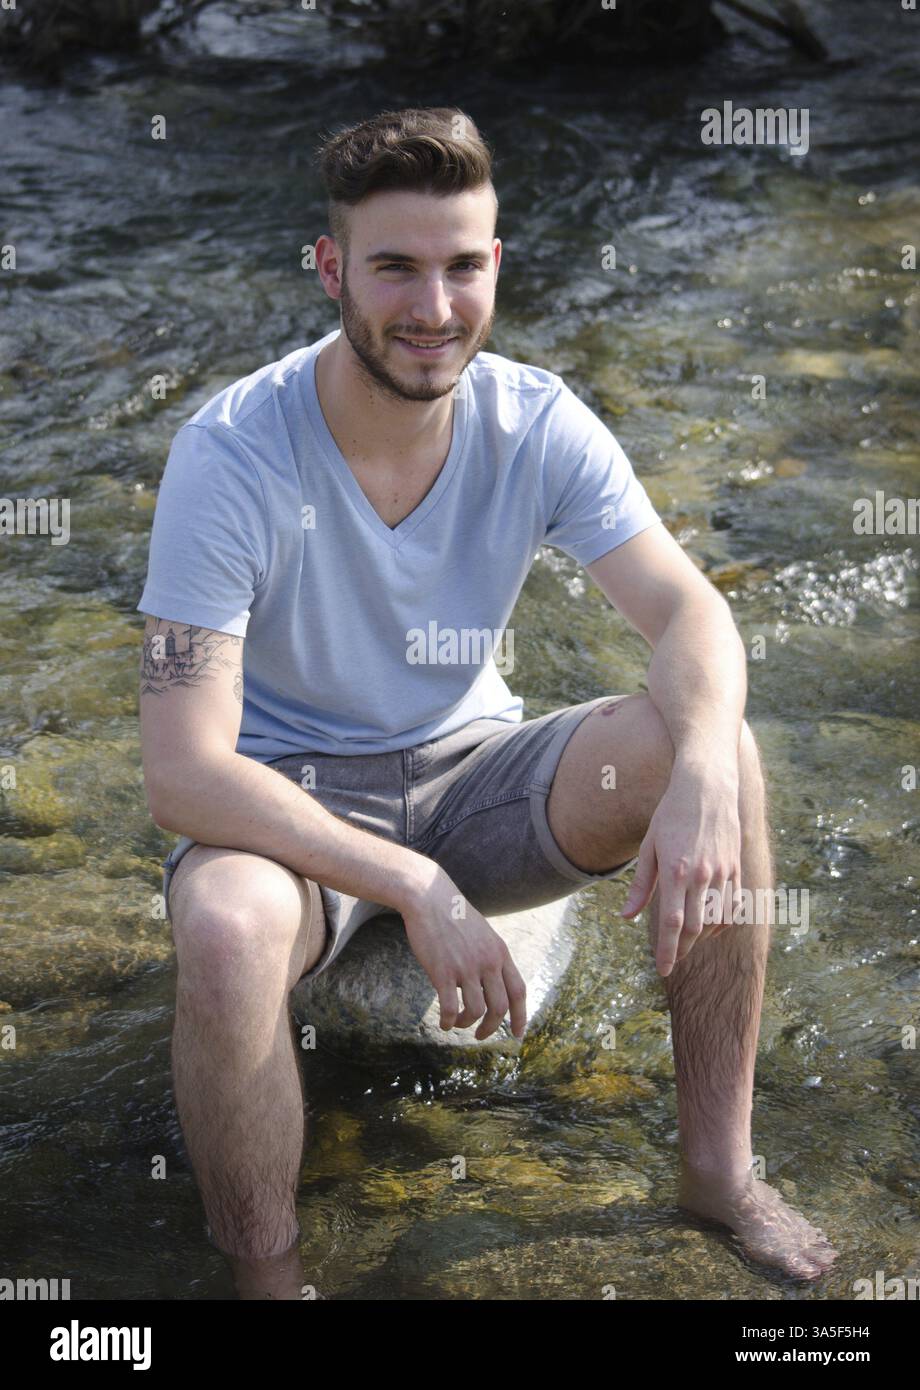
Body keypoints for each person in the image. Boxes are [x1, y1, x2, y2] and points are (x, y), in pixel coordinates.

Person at [136, 105, 837, 1297]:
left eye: (462, 265)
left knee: (716, 750)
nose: (434, 306)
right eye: (395, 267)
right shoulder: (232, 455)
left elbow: (687, 613)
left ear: (495, 265)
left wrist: (705, 774)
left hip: (476, 771)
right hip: (292, 801)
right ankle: (266, 1273)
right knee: (222, 927)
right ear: (329, 270)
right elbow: (183, 773)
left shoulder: (535, 419)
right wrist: (415, 886)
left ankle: (716, 1174)